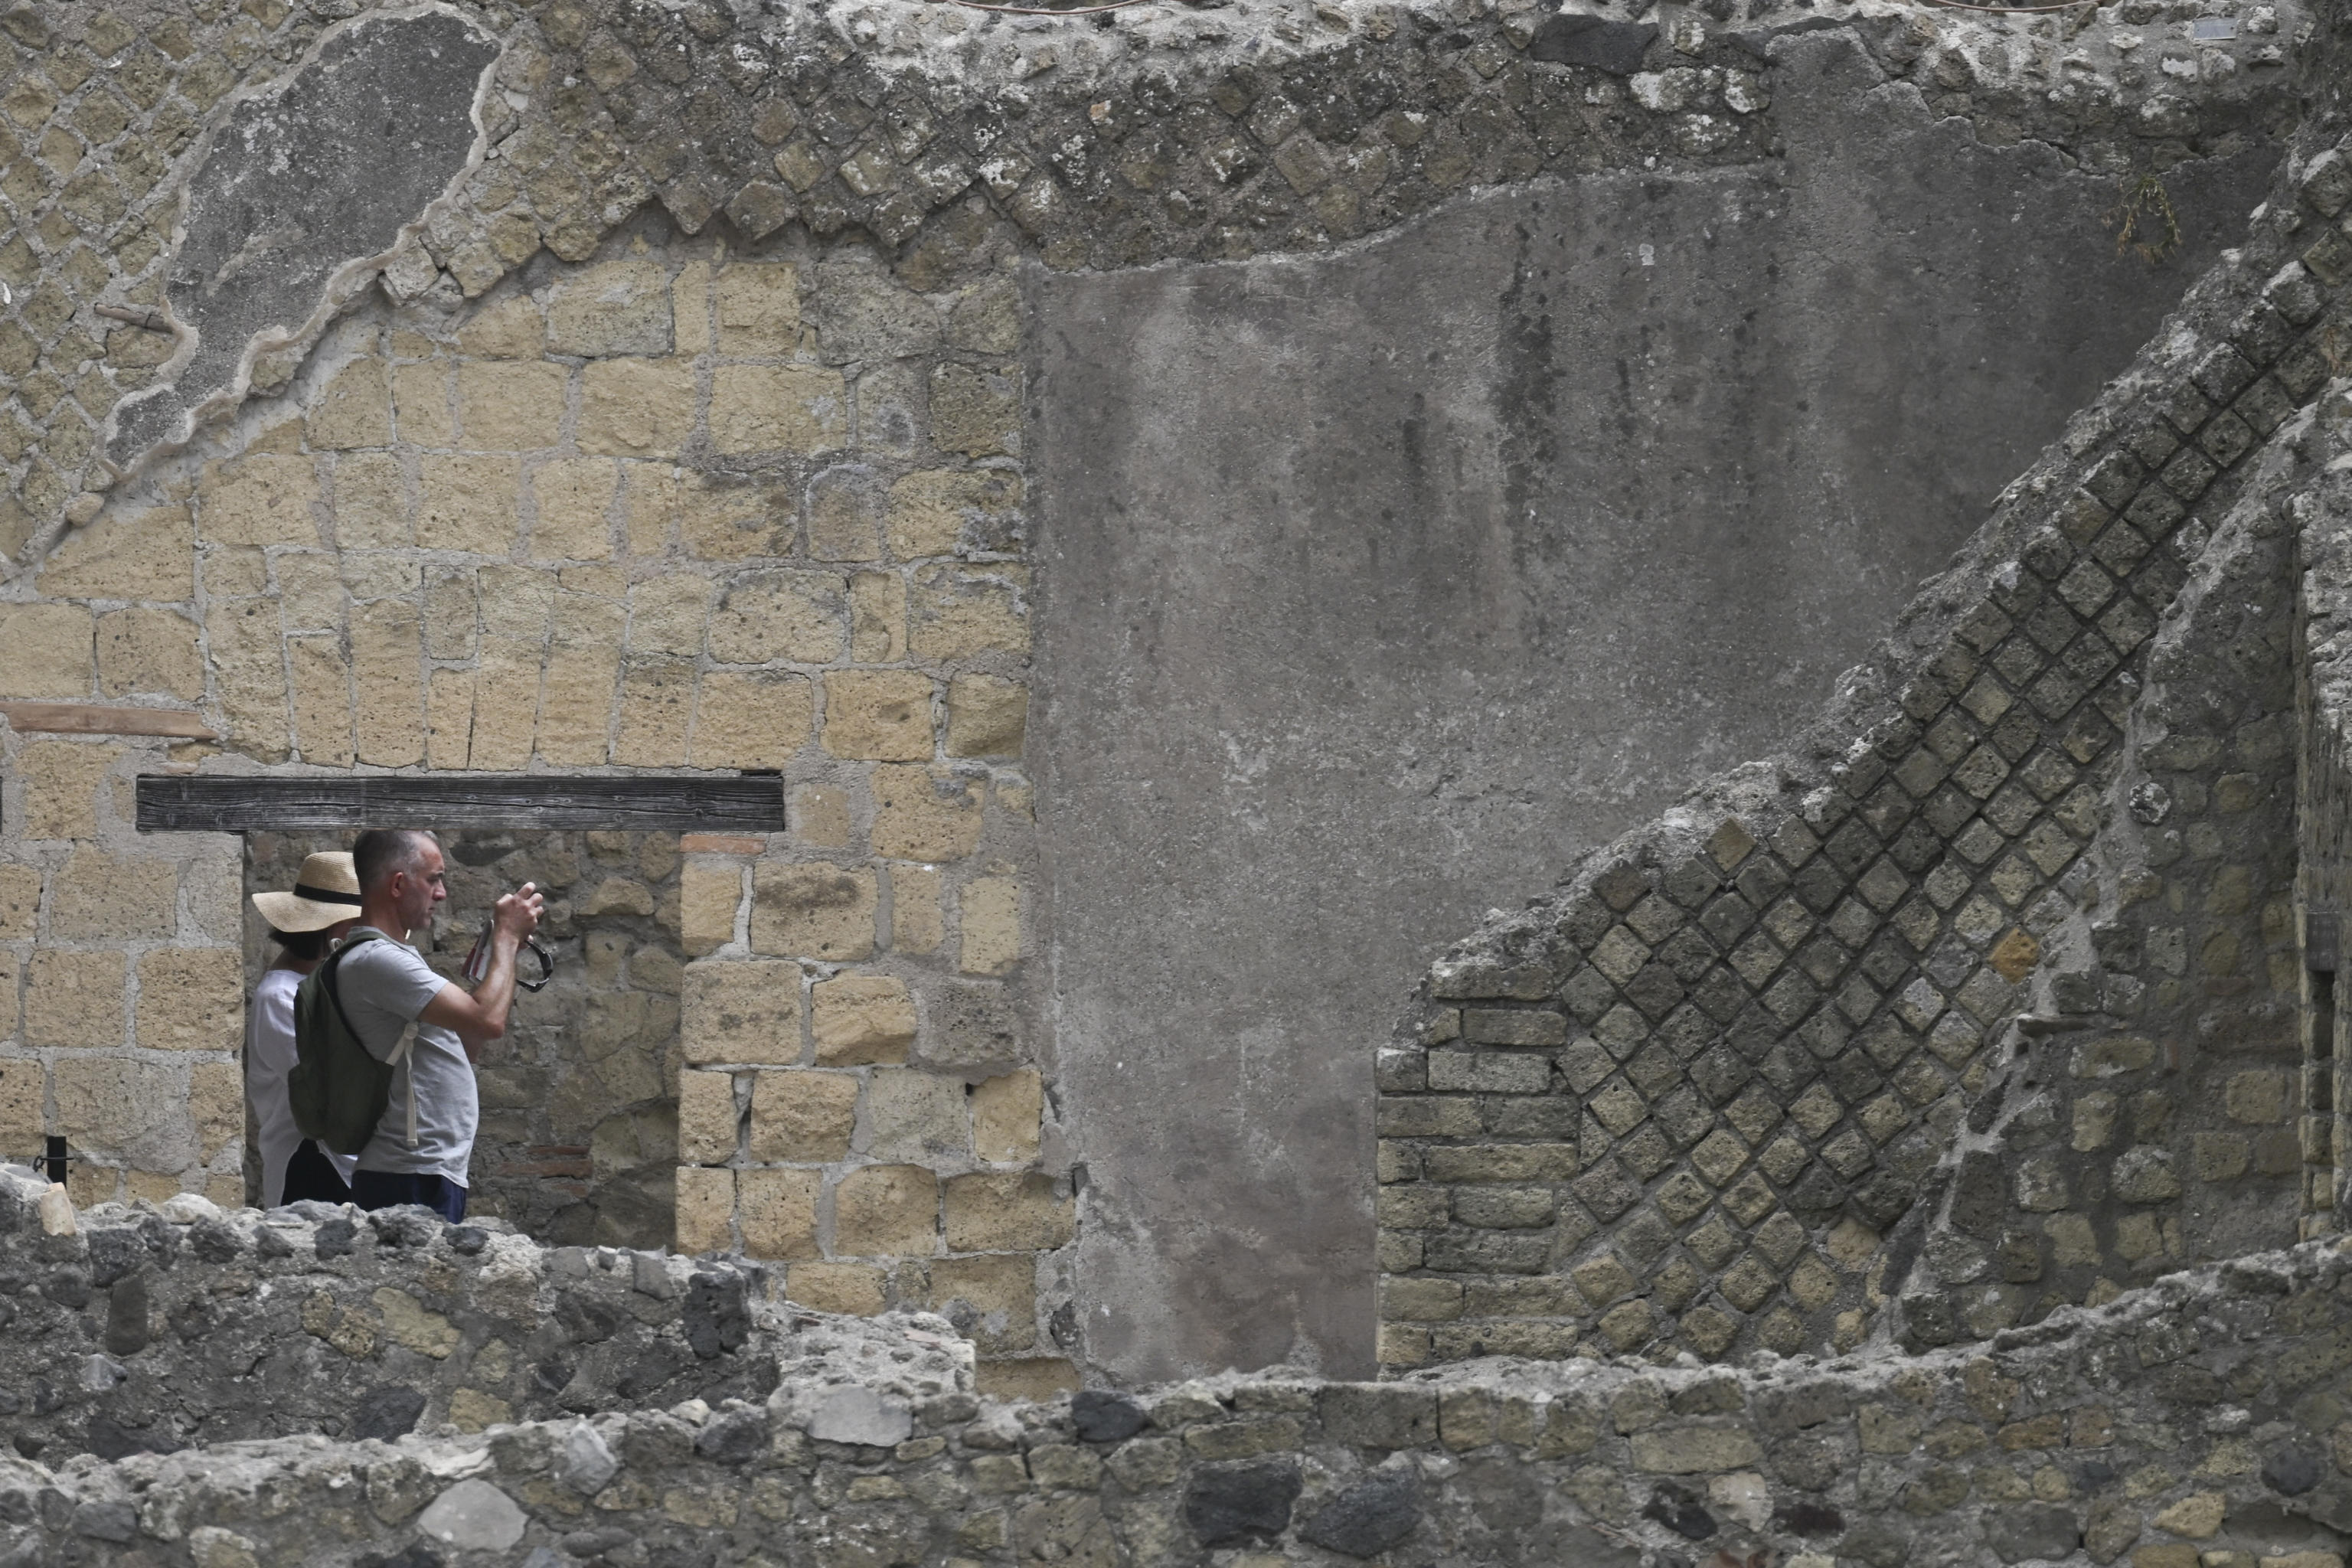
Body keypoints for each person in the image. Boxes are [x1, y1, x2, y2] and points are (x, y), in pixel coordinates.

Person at [333, 828, 544, 1223]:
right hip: (408, 1173)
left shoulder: (392, 958)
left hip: (426, 1169)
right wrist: (508, 938)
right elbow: (489, 1021)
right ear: (398, 884)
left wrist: (491, 965)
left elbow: (468, 1044)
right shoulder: (377, 960)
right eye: (433, 879)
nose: (442, 893)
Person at [248, 850, 364, 1207]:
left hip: (340, 1166)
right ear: (336, 930)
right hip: (314, 1167)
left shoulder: (320, 985)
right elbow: (327, 1095)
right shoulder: (281, 998)